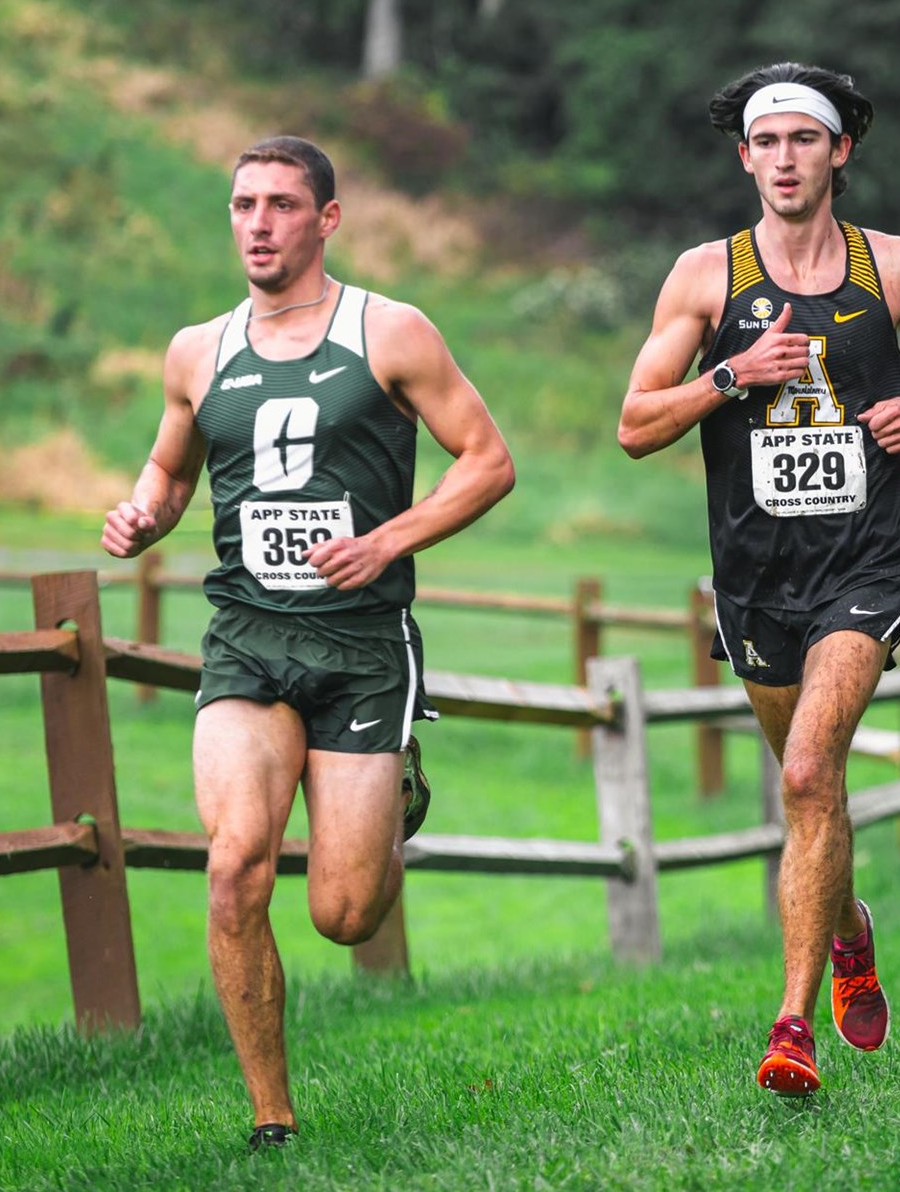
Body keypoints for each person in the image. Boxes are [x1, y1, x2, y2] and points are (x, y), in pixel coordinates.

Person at [101, 136, 516, 1146]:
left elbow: (487, 460)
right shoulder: (198, 349)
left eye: (283, 204)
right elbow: (168, 467)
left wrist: (388, 540)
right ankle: (272, 1115)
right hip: (247, 636)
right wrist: (145, 511)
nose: (259, 222)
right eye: (245, 203)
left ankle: (394, 786)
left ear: (327, 218)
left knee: (344, 912)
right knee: (236, 862)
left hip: (363, 644)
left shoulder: (392, 330)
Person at [618, 62, 900, 1095]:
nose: (785, 158)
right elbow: (634, 424)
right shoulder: (705, 276)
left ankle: (790, 1026)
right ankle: (849, 927)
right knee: (809, 786)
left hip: (865, 563)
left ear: (840, 152)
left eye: (804, 140)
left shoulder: (899, 265)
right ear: (745, 157)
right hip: (754, 575)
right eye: (766, 141)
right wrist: (733, 375)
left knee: (806, 776)